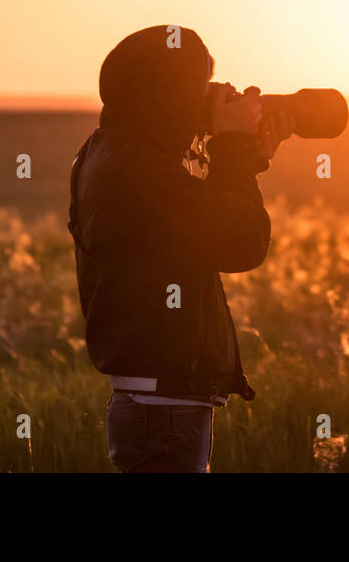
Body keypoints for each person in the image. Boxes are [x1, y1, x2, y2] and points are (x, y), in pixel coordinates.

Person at [68, 25, 292, 472]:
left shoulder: (114, 151)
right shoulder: (135, 167)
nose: (210, 96)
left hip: (158, 400)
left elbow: (199, 218)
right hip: (163, 406)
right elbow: (241, 241)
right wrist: (230, 144)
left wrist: (246, 155)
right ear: (168, 94)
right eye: (200, 84)